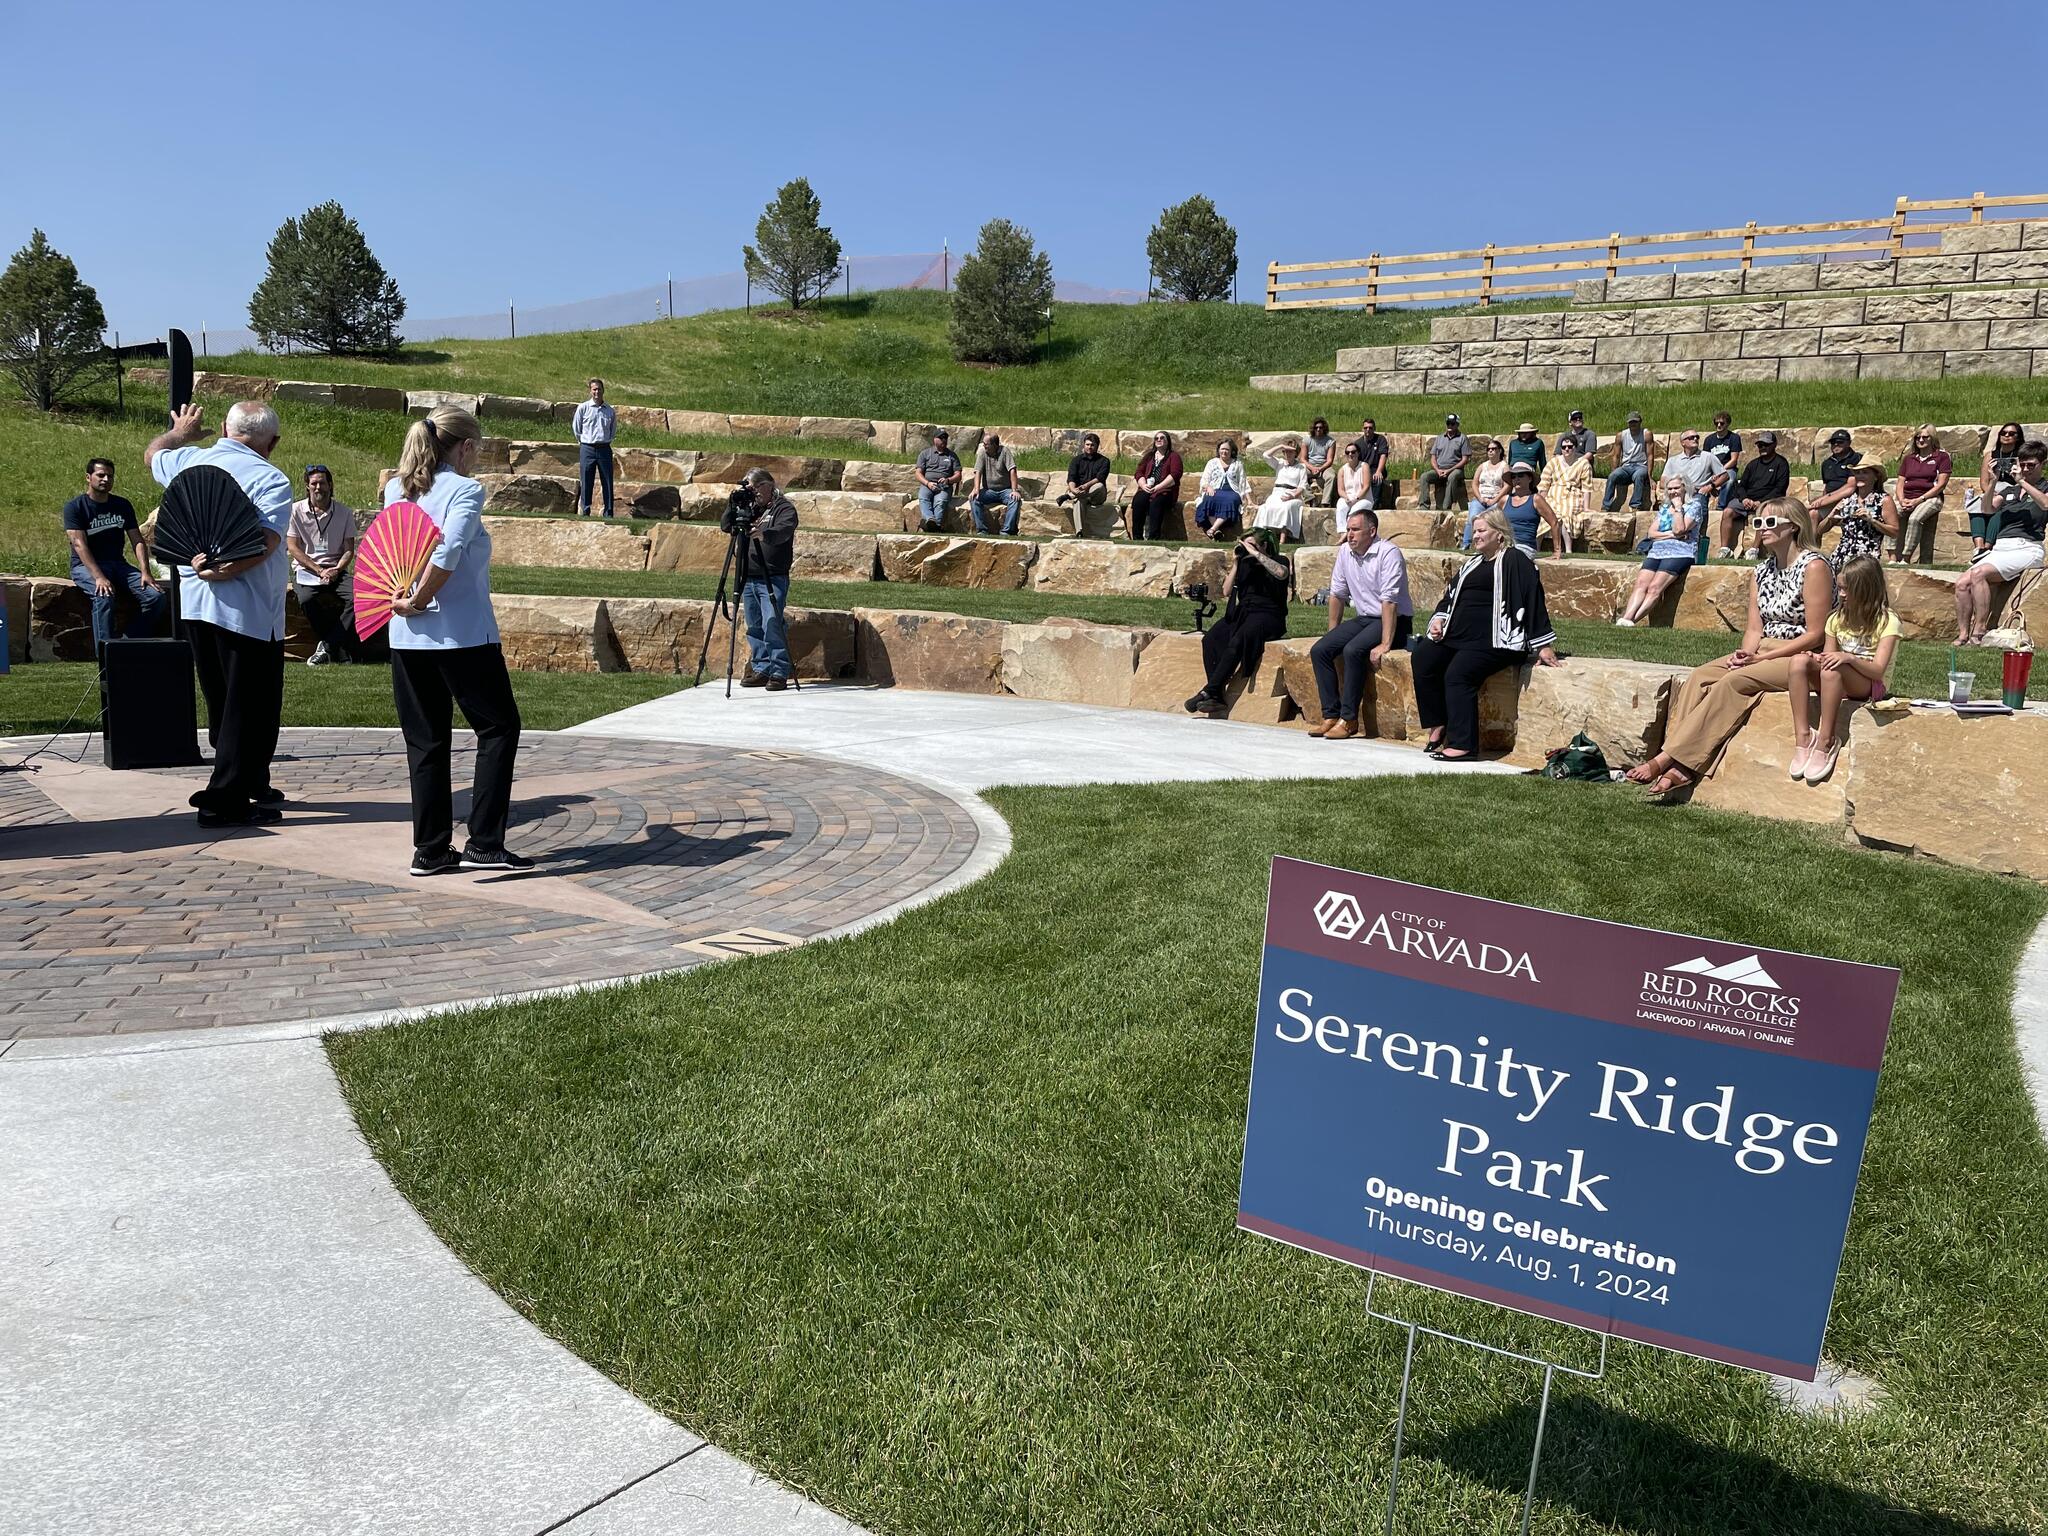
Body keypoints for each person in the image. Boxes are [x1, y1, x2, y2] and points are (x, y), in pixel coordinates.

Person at [384, 405, 527, 874]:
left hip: (406, 636)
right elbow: (446, 550)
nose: (477, 457)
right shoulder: (465, 490)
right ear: (464, 447)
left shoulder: (395, 489)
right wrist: (422, 598)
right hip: (461, 633)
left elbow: (396, 550)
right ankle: (484, 840)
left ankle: (430, 849)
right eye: (477, 449)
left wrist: (409, 604)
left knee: (425, 741)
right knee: (499, 727)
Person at [1625, 498, 1834, 799]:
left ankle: (1667, 760)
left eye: (1771, 523)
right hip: (1763, 649)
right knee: (1700, 676)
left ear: (1794, 526)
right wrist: (1744, 654)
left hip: (1800, 654)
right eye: (1759, 523)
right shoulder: (1761, 571)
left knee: (1736, 681)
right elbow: (1753, 629)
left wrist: (1761, 659)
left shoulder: (1814, 566)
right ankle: (1681, 764)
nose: (1763, 529)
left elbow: (1816, 633)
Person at [146, 401, 292, 828]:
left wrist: (181, 432)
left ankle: (252, 780)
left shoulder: (190, 458)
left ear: (225, 429)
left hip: (193, 605)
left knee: (222, 699)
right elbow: (264, 541)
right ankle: (223, 798)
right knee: (248, 706)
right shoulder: (270, 477)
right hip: (247, 610)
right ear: (273, 442)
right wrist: (223, 569)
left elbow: (153, 453)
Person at [1411, 508, 1561, 762]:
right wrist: (1439, 619)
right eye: (1475, 530)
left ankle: (1464, 745)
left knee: (1458, 674)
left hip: (1496, 640)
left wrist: (1542, 644)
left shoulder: (1515, 559)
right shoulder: (1472, 563)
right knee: (1423, 656)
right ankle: (1438, 723)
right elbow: (1449, 597)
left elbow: (1533, 598)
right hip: (1457, 635)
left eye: (1482, 531)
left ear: (1499, 535)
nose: (1476, 535)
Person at [1785, 555, 1899, 786]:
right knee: (1798, 662)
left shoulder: (1888, 621)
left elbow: (1877, 671)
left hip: (1869, 684)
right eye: (1840, 588)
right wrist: (1815, 658)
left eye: (1847, 589)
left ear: (1865, 590)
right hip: (1839, 677)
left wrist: (1848, 658)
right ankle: (1804, 736)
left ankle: (1826, 740)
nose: (1842, 594)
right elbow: (1828, 657)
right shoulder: (1836, 619)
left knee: (1831, 671)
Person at [1308, 508, 1413, 739]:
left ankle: (1349, 719)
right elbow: (1337, 594)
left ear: (1372, 531)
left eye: (1355, 529)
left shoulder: (1389, 553)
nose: (1350, 535)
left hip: (1396, 620)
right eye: (1348, 529)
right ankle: (1330, 715)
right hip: (1366, 618)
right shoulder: (1345, 551)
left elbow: (1390, 600)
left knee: (1353, 650)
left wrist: (1386, 643)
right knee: (1321, 650)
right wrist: (1332, 633)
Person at [1185, 528, 1292, 718]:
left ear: (1264, 545)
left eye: (1249, 544)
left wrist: (1256, 553)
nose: (1245, 549)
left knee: (1239, 640)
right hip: (1243, 612)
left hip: (1268, 615)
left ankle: (1210, 691)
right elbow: (1226, 591)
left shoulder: (1280, 561)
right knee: (1211, 639)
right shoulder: (1243, 563)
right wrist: (1236, 563)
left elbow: (1281, 574)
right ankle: (1214, 694)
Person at [1953, 437, 2047, 644]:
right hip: (2001, 548)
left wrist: (2022, 481)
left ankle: (1980, 629)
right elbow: (1987, 508)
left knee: (1978, 574)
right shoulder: (2010, 491)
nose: (2025, 469)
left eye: (2031, 465)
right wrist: (1993, 481)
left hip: (2027, 547)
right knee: (1961, 583)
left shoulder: (2044, 487)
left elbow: (2046, 504)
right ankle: (1962, 634)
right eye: (2022, 464)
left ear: (2043, 464)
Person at [63, 457, 164, 645]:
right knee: (104, 595)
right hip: (85, 566)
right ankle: (106, 655)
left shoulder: (122, 505)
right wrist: (99, 577)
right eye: (100, 475)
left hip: (118, 564)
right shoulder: (75, 507)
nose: (105, 480)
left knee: (155, 596)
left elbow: (137, 540)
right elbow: (79, 545)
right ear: (88, 477)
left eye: (110, 476)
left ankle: (128, 642)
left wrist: (145, 572)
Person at [721, 467, 800, 688]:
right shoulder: (750, 508)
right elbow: (726, 526)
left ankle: (779, 671)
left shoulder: (783, 508)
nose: (754, 492)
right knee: (754, 626)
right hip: (748, 576)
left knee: (772, 623)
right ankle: (761, 669)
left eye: (758, 487)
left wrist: (764, 534)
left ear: (770, 484)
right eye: (750, 488)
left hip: (773, 577)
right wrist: (733, 503)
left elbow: (784, 530)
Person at [286, 464, 356, 665]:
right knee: (306, 599)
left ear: (330, 485)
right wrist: (318, 570)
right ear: (307, 486)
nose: (318, 488)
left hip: (336, 569)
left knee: (358, 597)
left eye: (322, 483)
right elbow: (293, 547)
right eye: (314, 483)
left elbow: (349, 549)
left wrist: (337, 569)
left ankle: (327, 645)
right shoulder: (296, 510)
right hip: (307, 569)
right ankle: (338, 647)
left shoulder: (344, 512)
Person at [1615, 475, 1700, 626]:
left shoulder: (1694, 506)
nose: (1673, 491)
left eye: (1676, 488)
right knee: (1641, 584)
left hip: (1681, 552)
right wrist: (1673, 535)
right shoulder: (1665, 508)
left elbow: (1680, 528)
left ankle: (1630, 621)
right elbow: (1652, 534)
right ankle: (1626, 618)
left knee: (1655, 587)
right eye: (1670, 489)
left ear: (1684, 488)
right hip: (1657, 551)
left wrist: (1679, 509)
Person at [1716, 429, 1791, 557]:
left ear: (1774, 445)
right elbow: (1741, 486)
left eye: (1766, 445)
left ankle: (1754, 550)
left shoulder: (1781, 464)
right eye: (1760, 445)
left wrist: (1760, 502)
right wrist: (1744, 499)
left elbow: (1780, 489)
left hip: (1767, 500)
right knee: (1728, 511)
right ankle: (1725, 549)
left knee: (1764, 513)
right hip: (1747, 500)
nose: (1763, 447)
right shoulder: (1753, 464)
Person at [1818, 462, 1897, 576]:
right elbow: (1820, 530)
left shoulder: (1884, 500)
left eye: (1864, 472)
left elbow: (1894, 532)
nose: (1860, 476)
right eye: (1857, 473)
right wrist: (1830, 517)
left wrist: (1872, 521)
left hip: (1865, 559)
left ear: (1876, 477)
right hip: (1841, 557)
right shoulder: (1848, 500)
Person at [1890, 426, 1951, 565]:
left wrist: (1919, 500)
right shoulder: (1909, 458)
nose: (1921, 440)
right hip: (1907, 497)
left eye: (1925, 437)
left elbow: (1940, 485)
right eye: (1918, 437)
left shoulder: (1942, 457)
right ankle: (1892, 558)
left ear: (1932, 439)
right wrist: (1901, 499)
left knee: (1915, 519)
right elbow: (1900, 482)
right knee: (1892, 515)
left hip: (1930, 497)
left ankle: (1906, 557)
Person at [1971, 422, 2026, 560]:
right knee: (1975, 505)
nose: (2007, 435)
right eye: (2004, 433)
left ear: (2018, 437)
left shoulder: (2022, 456)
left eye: (2012, 433)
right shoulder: (1990, 455)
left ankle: (1988, 547)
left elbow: (2024, 479)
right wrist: (1990, 491)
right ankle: (1979, 547)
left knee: (2000, 506)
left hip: (2012, 489)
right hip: (1992, 488)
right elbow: (1983, 481)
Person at [1497, 463, 1565, 560]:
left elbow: (1554, 522)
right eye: (1513, 476)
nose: (1516, 479)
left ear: (1530, 479)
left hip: (1525, 547)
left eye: (1520, 475)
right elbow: (1493, 523)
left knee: (1509, 556)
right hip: (1506, 546)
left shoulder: (1536, 499)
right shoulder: (1504, 500)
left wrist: (1557, 551)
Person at [963, 430, 1023, 536]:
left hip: (1005, 490)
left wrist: (1014, 490)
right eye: (983, 444)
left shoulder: (1005, 452)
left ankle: (1006, 531)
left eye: (986, 444)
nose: (984, 446)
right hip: (989, 491)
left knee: (1015, 500)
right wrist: (976, 489)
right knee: (974, 498)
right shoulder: (982, 453)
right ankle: (982, 530)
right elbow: (978, 472)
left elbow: (1012, 470)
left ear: (995, 444)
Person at [571, 378, 616, 518]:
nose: (597, 392)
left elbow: (612, 430)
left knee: (607, 481)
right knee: (586, 480)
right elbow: (577, 428)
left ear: (603, 390)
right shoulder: (583, 408)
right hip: (587, 448)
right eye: (594, 389)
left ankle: (608, 512)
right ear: (590, 391)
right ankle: (585, 510)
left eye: (599, 389)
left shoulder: (610, 411)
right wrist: (584, 442)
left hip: (604, 448)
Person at [1129, 431, 1182, 540]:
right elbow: (1139, 472)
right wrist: (1143, 485)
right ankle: (1137, 537)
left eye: (1162, 438)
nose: (1158, 440)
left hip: (1165, 490)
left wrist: (1158, 487)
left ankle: (1153, 537)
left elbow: (1175, 475)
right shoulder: (1149, 456)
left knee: (1156, 502)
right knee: (1139, 500)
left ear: (1167, 441)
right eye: (1156, 438)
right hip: (1147, 488)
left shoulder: (1174, 456)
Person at [1057, 432, 1112, 534]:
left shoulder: (1104, 461)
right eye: (1087, 444)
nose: (1089, 447)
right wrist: (1073, 489)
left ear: (1097, 446)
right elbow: (1071, 478)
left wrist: (1086, 486)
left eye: (1092, 445)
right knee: (1078, 500)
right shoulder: (1076, 460)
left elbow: (1100, 478)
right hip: (1080, 493)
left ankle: (1069, 496)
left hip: (1096, 495)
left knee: (1099, 486)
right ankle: (1079, 532)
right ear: (1084, 445)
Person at [1192, 438, 1248, 538]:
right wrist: (1208, 487)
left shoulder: (1238, 464)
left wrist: (1248, 499)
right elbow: (1204, 480)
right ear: (1218, 450)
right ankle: (1216, 530)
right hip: (1214, 490)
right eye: (1222, 449)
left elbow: (1243, 482)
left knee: (1231, 500)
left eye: (1227, 449)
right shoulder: (1212, 463)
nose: (1224, 451)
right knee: (1209, 499)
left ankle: (1213, 529)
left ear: (1232, 451)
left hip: (1232, 491)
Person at [1537, 434, 1591, 539]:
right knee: (1544, 516)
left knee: (1566, 516)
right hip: (1553, 496)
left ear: (1575, 448)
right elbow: (1544, 484)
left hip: (1572, 496)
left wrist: (1586, 508)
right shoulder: (1553, 462)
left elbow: (1586, 487)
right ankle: (1537, 549)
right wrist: (1541, 503)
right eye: (1564, 447)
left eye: (1570, 447)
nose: (1567, 449)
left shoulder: (1583, 463)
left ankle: (1568, 550)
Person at [1458, 439, 1509, 548]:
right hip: (1481, 498)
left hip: (1496, 498)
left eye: (1493, 449)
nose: (1490, 451)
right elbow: (1475, 484)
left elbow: (1507, 485)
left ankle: (1490, 543)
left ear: (1499, 451)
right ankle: (1466, 544)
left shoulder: (1504, 466)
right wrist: (1480, 498)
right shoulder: (1482, 466)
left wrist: (1495, 500)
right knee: (1472, 518)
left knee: (1491, 521)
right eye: (1488, 449)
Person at [1254, 439, 1308, 541]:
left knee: (1286, 508)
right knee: (1266, 507)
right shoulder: (1280, 463)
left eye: (1291, 451)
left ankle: (1283, 539)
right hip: (1277, 493)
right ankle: (1267, 537)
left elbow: (1302, 486)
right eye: (1286, 451)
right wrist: (1281, 446)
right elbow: (1266, 455)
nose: (1288, 453)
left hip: (1292, 494)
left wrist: (1292, 496)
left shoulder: (1301, 467)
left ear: (1296, 452)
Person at [1659, 429, 1726, 507]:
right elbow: (1662, 482)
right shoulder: (1673, 460)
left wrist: (1710, 487)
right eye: (1691, 437)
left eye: (1697, 437)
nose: (1695, 439)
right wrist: (1680, 488)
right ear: (1683, 443)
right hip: (1678, 494)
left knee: (1698, 504)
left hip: (1698, 494)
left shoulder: (1708, 457)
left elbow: (1724, 476)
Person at [1417, 414, 1469, 510]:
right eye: (1448, 423)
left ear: (1457, 424)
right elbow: (1433, 457)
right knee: (1424, 476)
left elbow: (1465, 459)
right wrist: (1437, 470)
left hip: (1455, 469)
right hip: (1439, 469)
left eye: (1452, 424)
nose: (1450, 426)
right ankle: (1424, 505)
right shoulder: (1440, 438)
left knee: (1452, 477)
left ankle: (1446, 507)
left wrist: (1449, 470)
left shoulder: (1462, 438)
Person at [1603, 411, 1652, 512]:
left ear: (1640, 422)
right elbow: (1616, 456)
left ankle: (1635, 505)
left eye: (1635, 422)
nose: (1633, 424)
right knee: (1612, 476)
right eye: (1631, 422)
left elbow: (1650, 455)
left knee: (1638, 476)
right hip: (1626, 466)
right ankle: (1606, 506)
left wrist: (1650, 476)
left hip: (1641, 465)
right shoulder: (1621, 435)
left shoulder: (1646, 434)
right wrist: (1614, 470)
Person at [914, 428, 961, 532]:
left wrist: (948, 480)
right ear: (934, 439)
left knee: (941, 501)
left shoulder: (952, 456)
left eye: (945, 438)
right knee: (923, 498)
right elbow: (918, 473)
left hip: (944, 486)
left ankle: (931, 526)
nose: (944, 440)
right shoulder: (925, 453)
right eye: (941, 437)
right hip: (928, 484)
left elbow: (958, 475)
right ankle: (932, 521)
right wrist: (928, 483)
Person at [1808, 429, 1862, 518]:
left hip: (1850, 501)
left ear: (1848, 443)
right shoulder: (1827, 463)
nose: (1836, 445)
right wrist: (1823, 500)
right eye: (1833, 442)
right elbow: (1827, 487)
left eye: (1840, 442)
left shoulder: (1856, 459)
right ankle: (1815, 532)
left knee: (1815, 509)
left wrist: (1823, 501)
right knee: (1813, 513)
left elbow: (1850, 487)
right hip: (1830, 502)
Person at [1703, 412, 1742, 514]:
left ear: (1727, 424)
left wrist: (1720, 471)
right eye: (1716, 423)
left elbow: (1733, 460)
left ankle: (1721, 507)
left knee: (1729, 480)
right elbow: (1706, 460)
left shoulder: (1734, 438)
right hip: (1711, 470)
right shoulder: (1709, 440)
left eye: (1722, 423)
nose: (1719, 425)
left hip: (1728, 468)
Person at [1351, 417, 1391, 509]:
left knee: (1377, 479)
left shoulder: (1380, 439)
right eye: (1366, 428)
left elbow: (1383, 456)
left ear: (1374, 429)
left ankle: (1374, 506)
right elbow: (1356, 461)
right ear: (1362, 429)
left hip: (1376, 469)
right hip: (1363, 471)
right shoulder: (1358, 443)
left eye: (1370, 428)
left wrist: (1379, 471)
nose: (1368, 430)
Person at [1332, 440, 1373, 525]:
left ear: (1358, 453)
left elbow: (1366, 486)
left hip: (1364, 499)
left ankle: (1348, 533)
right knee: (1340, 507)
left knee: (1354, 512)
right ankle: (1342, 531)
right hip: (1348, 498)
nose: (1350, 454)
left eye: (1353, 452)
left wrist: (1357, 498)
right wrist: (1346, 498)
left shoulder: (1364, 466)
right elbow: (1341, 490)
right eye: (1348, 452)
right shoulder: (1342, 470)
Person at [1301, 417, 1338, 506]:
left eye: (1320, 427)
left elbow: (1330, 460)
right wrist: (1312, 468)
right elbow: (1303, 459)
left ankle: (1326, 502)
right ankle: (1309, 498)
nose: (1318, 429)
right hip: (1310, 465)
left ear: (1324, 428)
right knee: (1300, 473)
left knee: (1331, 476)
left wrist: (1320, 469)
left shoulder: (1330, 441)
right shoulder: (1307, 440)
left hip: (1324, 466)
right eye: (1316, 427)